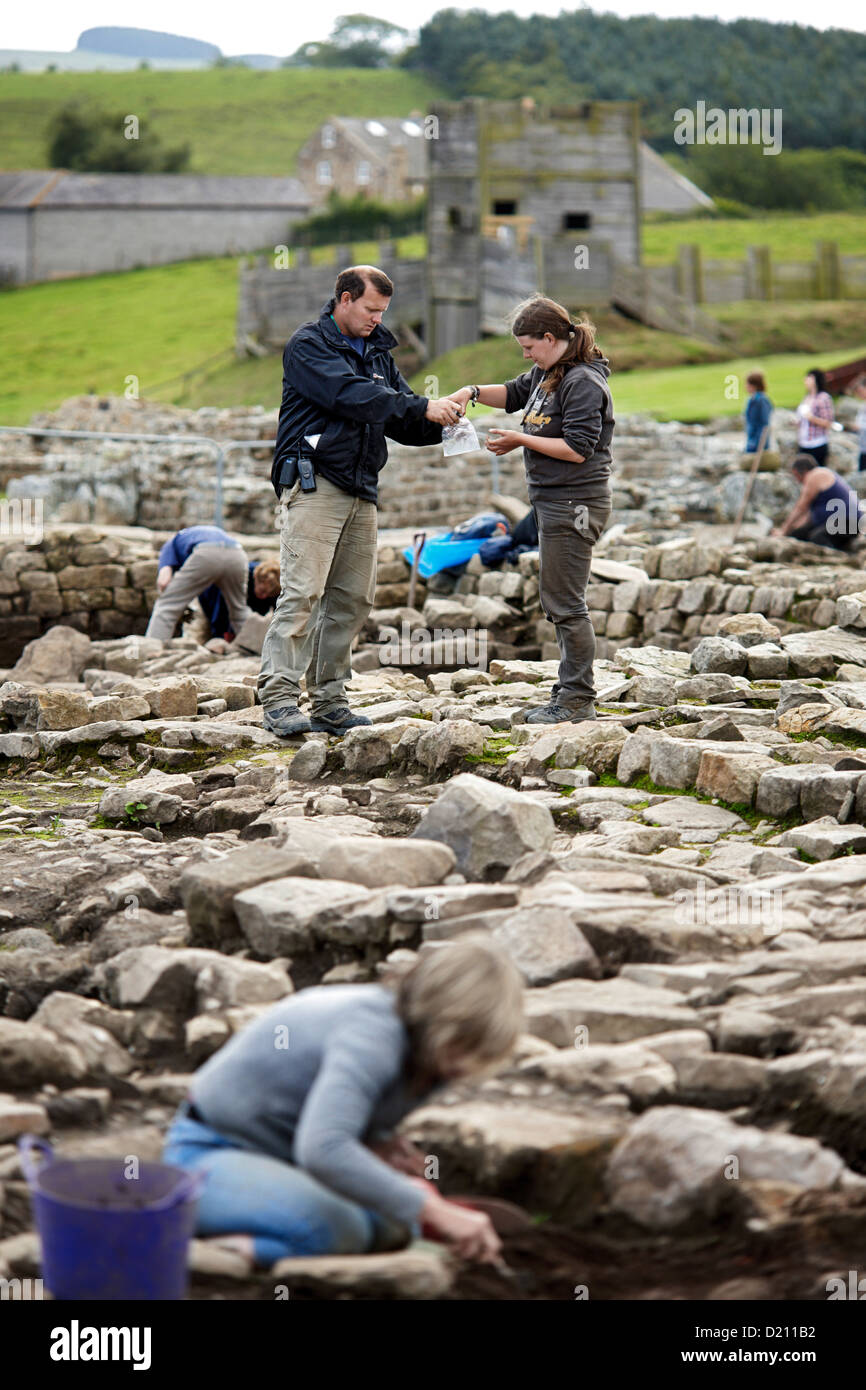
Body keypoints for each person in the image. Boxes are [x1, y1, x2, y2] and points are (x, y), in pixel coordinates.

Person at [162, 935, 525, 1268]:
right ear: (441, 1018)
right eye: (464, 1043)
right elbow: (323, 1148)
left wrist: (378, 1143)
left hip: (277, 1156)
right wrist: (433, 1208)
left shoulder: (424, 1051)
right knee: (342, 1230)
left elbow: (330, 1120)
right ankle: (226, 1253)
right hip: (205, 1155)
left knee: (396, 1227)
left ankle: (272, 1229)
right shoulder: (372, 1035)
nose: (467, 1064)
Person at [257, 265, 462, 738]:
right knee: (303, 592)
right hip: (313, 483)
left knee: (352, 598)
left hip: (361, 487)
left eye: (383, 311)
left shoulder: (377, 352)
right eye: (371, 309)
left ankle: (330, 701)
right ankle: (281, 700)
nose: (377, 319)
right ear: (344, 299)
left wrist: (442, 420)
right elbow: (351, 396)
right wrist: (418, 406)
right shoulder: (308, 345)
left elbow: (401, 414)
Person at [448, 295, 613, 723]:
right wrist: (470, 393)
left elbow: (578, 448)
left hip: (576, 503)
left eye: (528, 346)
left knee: (566, 603)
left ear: (550, 337)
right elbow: (512, 394)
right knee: (557, 598)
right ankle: (568, 690)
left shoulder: (583, 383)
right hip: (552, 502)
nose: (525, 355)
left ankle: (577, 700)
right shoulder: (548, 371)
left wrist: (521, 440)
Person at [145, 525, 252, 643]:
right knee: (239, 610)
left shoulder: (169, 546)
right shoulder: (195, 534)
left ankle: (152, 647)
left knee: (167, 606)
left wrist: (175, 599)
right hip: (238, 554)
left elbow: (163, 581)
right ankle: (257, 650)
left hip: (207, 553)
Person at [771, 453, 863, 551]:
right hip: (839, 522)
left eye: (796, 475)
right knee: (799, 534)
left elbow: (801, 507)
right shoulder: (821, 475)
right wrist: (792, 530)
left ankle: (835, 557)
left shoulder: (815, 475)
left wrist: (784, 530)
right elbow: (808, 516)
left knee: (817, 537)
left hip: (848, 521)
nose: (797, 481)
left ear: (801, 471)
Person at [199, 557, 281, 642]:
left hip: (250, 602)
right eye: (263, 591)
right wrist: (221, 635)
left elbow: (279, 614)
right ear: (256, 578)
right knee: (214, 634)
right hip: (212, 594)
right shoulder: (240, 576)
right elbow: (221, 610)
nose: (265, 596)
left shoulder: (276, 586)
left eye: (270, 594)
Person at [796, 368, 835, 465]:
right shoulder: (807, 398)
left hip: (817, 442)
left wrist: (812, 418)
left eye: (809, 378)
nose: (805, 381)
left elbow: (828, 422)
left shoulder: (823, 398)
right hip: (804, 442)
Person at [744, 371, 773, 454]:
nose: (745, 386)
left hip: (758, 442)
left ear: (754, 385)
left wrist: (758, 443)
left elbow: (764, 423)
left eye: (747, 384)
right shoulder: (752, 399)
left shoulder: (761, 400)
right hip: (752, 439)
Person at [848, 374, 866, 472]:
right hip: (863, 447)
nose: (859, 395)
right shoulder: (863, 405)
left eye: (860, 391)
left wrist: (860, 427)